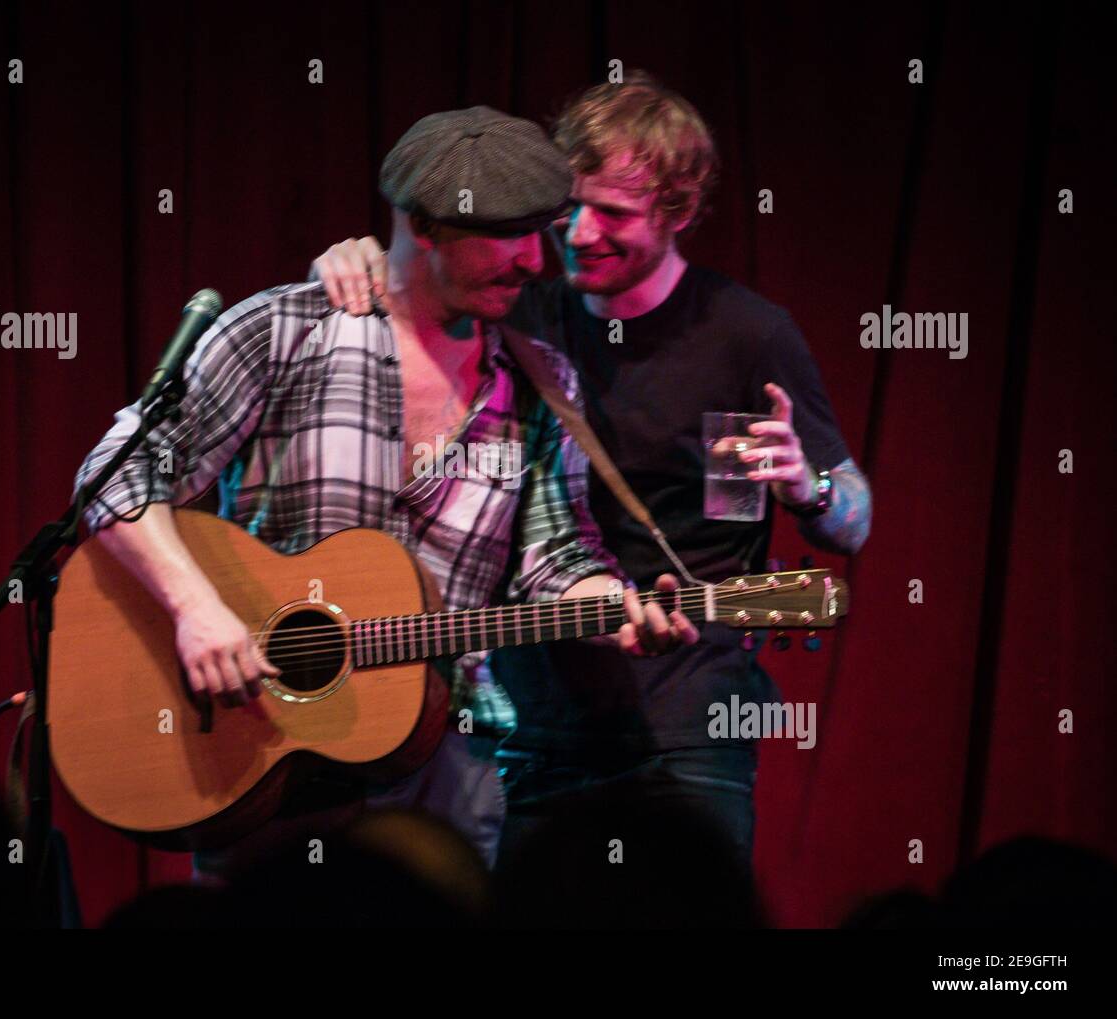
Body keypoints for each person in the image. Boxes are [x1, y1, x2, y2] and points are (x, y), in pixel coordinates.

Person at [73, 105, 695, 883]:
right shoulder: (281, 333)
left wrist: (620, 609)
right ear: (423, 226)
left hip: (442, 762)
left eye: (544, 229)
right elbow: (117, 473)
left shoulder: (543, 384)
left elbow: (555, 559)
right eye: (510, 234)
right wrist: (196, 608)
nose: (538, 259)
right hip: (264, 749)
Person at [310, 73, 872, 874]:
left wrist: (808, 488)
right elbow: (413, 282)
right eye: (567, 207)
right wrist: (359, 257)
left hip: (686, 725)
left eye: (613, 212)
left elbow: (853, 517)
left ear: (677, 212)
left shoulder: (749, 337)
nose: (577, 233)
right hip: (526, 719)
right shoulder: (519, 312)